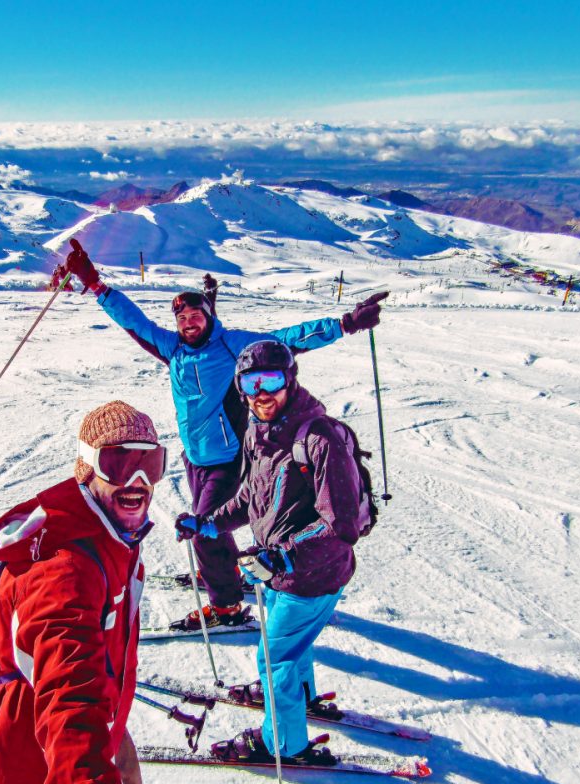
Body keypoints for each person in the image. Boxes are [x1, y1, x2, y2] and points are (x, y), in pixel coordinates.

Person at [61, 239, 381, 630]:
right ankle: (223, 571)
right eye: (182, 319)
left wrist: (344, 324)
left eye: (196, 315)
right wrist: (96, 285)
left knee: (203, 529)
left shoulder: (232, 346)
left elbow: (289, 338)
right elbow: (135, 322)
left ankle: (227, 605)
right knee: (210, 526)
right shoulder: (174, 350)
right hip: (195, 457)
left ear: (209, 316)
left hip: (229, 458)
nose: (189, 323)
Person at [0, 400, 198, 784]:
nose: (138, 480)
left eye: (152, 463)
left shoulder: (113, 533)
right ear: (87, 466)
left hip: (98, 728)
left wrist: (115, 730)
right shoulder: (65, 568)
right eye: (119, 462)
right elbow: (67, 690)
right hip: (45, 767)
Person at [175, 340, 367, 765]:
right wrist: (208, 523)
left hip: (312, 574)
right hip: (279, 570)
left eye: (272, 380)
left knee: (273, 655)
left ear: (290, 379)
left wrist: (285, 555)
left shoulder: (320, 437)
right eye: (250, 382)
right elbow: (251, 498)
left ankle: (285, 744)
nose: (262, 392)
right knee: (290, 647)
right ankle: (301, 696)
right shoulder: (258, 432)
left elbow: (343, 525)